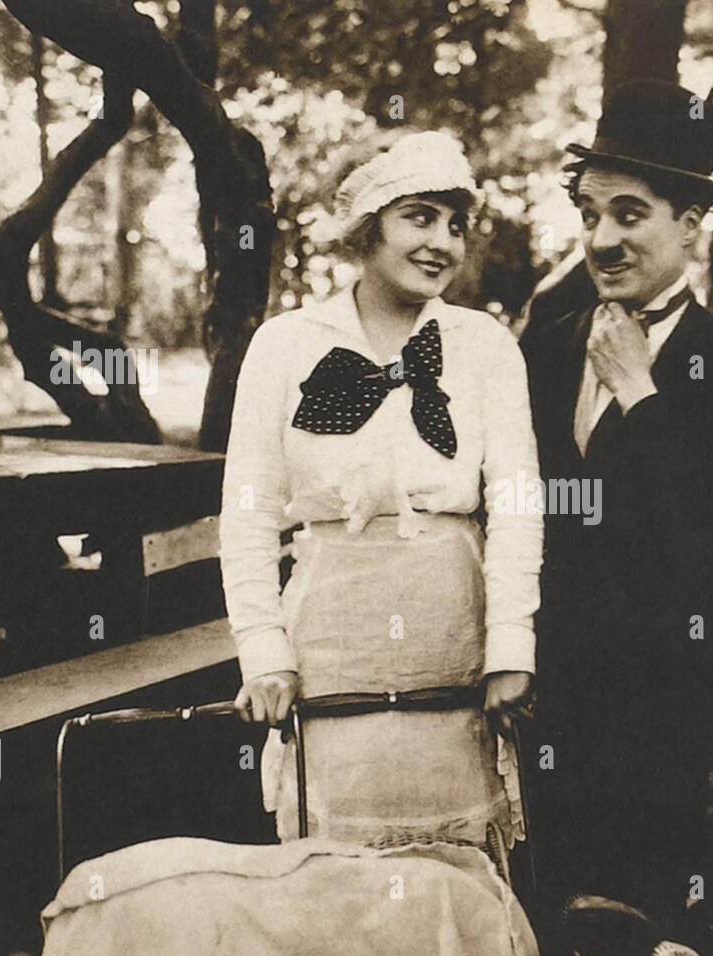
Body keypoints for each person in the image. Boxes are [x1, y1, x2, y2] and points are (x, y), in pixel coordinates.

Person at [218, 130, 542, 860]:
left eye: (457, 224)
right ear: (367, 227)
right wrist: (263, 650)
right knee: (333, 863)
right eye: (420, 217)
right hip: (331, 647)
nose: (444, 242)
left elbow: (519, 503)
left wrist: (510, 644)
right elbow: (246, 511)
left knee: (454, 862)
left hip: (453, 643)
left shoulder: (485, 346)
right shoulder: (284, 344)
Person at [518, 81, 713, 942]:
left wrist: (639, 389)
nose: (603, 238)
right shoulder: (546, 348)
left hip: (663, 690)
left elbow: (705, 524)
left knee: (642, 924)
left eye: (629, 214)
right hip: (550, 682)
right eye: (590, 214)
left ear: (690, 222)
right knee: (542, 907)